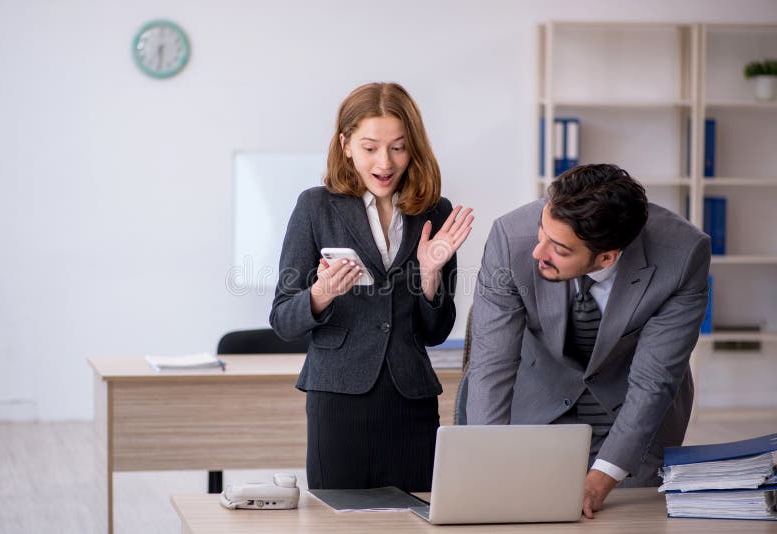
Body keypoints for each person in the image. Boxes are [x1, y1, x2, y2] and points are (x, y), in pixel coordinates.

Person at [466, 164, 710, 517]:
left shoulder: (683, 256)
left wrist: (600, 481)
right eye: (542, 232)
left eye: (560, 249)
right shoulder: (510, 237)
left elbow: (653, 382)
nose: (538, 252)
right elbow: (492, 363)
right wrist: (487, 463)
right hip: (539, 406)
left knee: (627, 520)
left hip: (633, 418)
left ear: (608, 256)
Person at [270, 82, 473, 492]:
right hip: (338, 398)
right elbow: (282, 319)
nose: (385, 162)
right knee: (339, 521)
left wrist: (430, 275)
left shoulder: (435, 211)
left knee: (416, 516)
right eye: (370, 147)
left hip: (411, 399)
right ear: (345, 145)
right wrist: (321, 293)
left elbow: (435, 332)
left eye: (398, 147)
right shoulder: (315, 206)